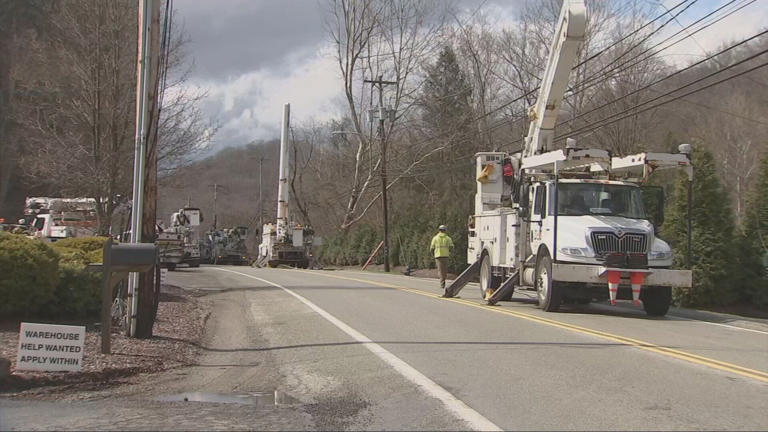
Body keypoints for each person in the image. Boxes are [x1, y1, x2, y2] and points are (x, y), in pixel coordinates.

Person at [430, 224, 454, 292]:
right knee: (445, 270)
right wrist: (449, 252)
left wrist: (433, 254)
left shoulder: (435, 238)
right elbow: (452, 247)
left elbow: (431, 248)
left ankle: (442, 283)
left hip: (438, 256)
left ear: (439, 230)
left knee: (440, 270)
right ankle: (443, 280)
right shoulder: (448, 238)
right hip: (446, 256)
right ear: (445, 230)